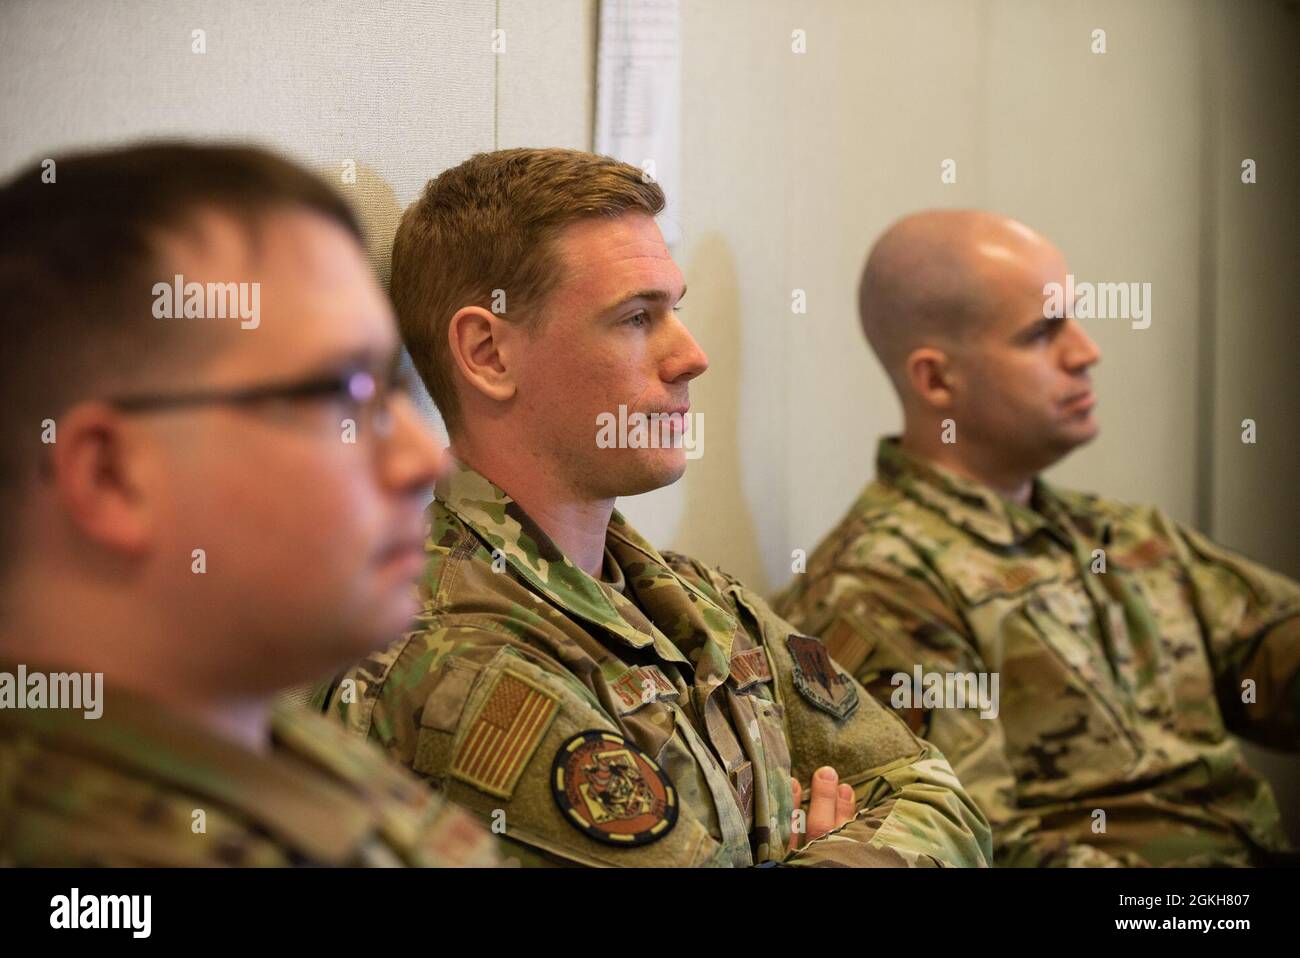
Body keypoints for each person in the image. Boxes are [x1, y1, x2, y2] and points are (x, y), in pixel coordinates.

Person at [317, 148, 992, 867]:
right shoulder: (458, 662)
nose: (691, 355)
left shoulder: (697, 601)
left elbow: (940, 794)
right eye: (638, 318)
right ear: (488, 353)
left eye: (676, 309)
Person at [0, 142, 498, 867]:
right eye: (340, 395)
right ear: (111, 476)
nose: (427, 458)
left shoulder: (262, 733)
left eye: (390, 387)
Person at [775, 208, 1300, 867]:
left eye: (1074, 319)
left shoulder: (1121, 534)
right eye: (1043, 333)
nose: (1087, 352)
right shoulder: (879, 586)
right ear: (937, 379)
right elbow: (977, 840)